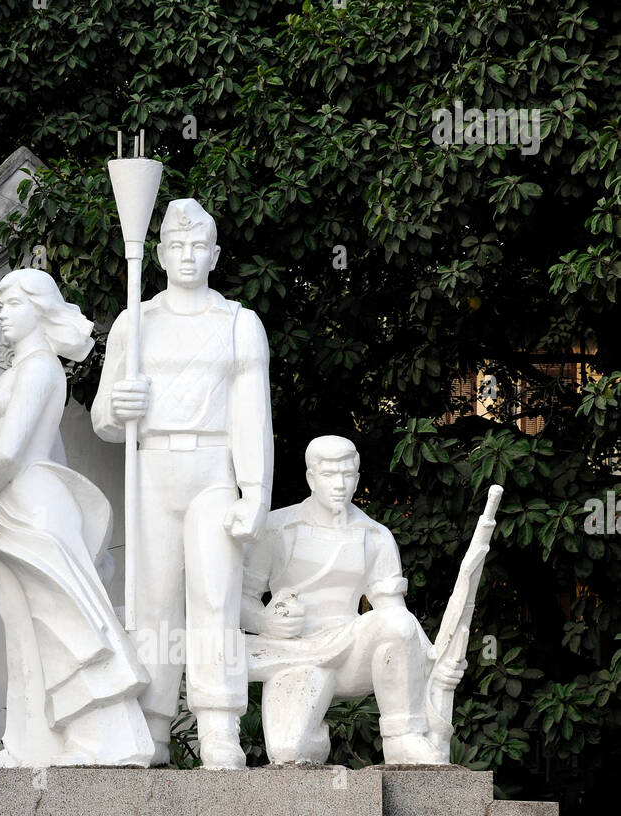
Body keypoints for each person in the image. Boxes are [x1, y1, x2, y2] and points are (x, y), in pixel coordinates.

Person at [91, 198, 274, 768]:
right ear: (161, 255)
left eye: (199, 247)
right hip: (152, 469)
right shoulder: (134, 321)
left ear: (215, 255)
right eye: (177, 246)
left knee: (216, 596)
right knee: (153, 605)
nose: (189, 256)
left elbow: (252, 414)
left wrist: (256, 491)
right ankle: (152, 726)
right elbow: (102, 420)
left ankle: (219, 725)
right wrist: (121, 407)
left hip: (213, 470)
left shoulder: (239, 324)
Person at [0, 267, 153, 768]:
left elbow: (8, 454)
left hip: (27, 505)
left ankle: (101, 739)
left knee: (61, 624)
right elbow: (53, 453)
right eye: (0, 305)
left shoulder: (41, 370)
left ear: (40, 310)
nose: (1, 314)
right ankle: (27, 744)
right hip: (15, 508)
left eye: (12, 304)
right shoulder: (25, 370)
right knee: (23, 630)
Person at [242, 434, 452, 765]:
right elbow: (241, 601)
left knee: (396, 623)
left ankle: (402, 737)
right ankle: (313, 736)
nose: (340, 484)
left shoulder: (375, 536)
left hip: (352, 649)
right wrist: (265, 621)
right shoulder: (276, 528)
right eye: (329, 475)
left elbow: (395, 618)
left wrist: (433, 656)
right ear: (312, 477)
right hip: (294, 651)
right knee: (288, 753)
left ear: (356, 477)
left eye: (348, 475)